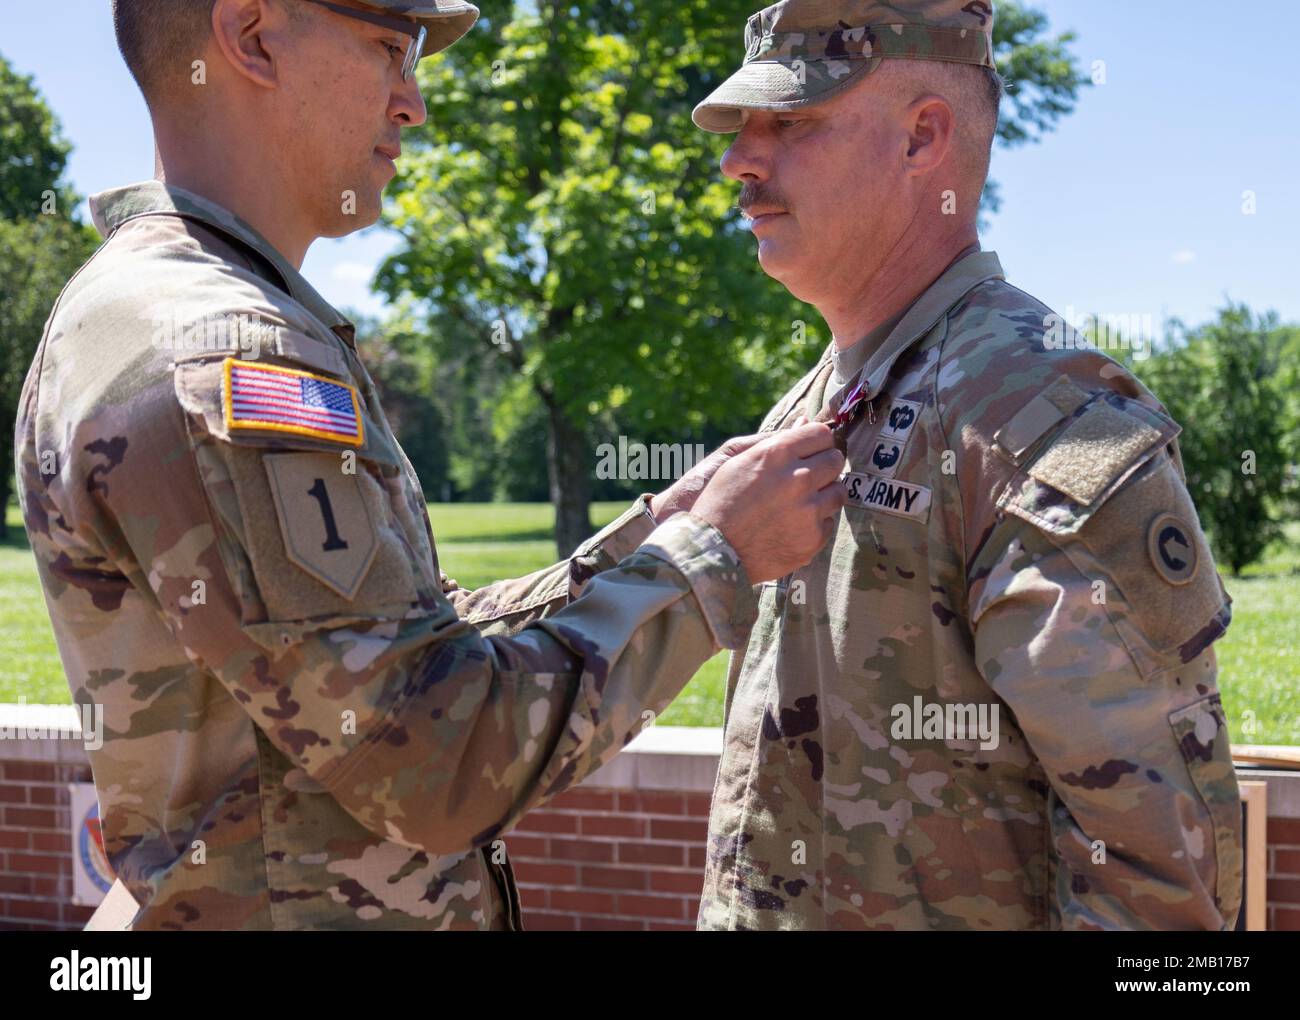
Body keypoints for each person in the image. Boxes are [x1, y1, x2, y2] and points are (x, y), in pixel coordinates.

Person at [13, 0, 847, 930]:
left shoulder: (155, 308)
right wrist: (711, 558)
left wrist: (654, 535)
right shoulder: (228, 348)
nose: (413, 104)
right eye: (387, 48)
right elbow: (434, 761)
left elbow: (405, 648)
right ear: (250, 37)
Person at [689, 0, 1243, 930]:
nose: (738, 162)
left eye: (788, 122)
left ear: (922, 140)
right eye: (740, 129)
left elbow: (1157, 884)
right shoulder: (818, 399)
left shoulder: (1042, 418)